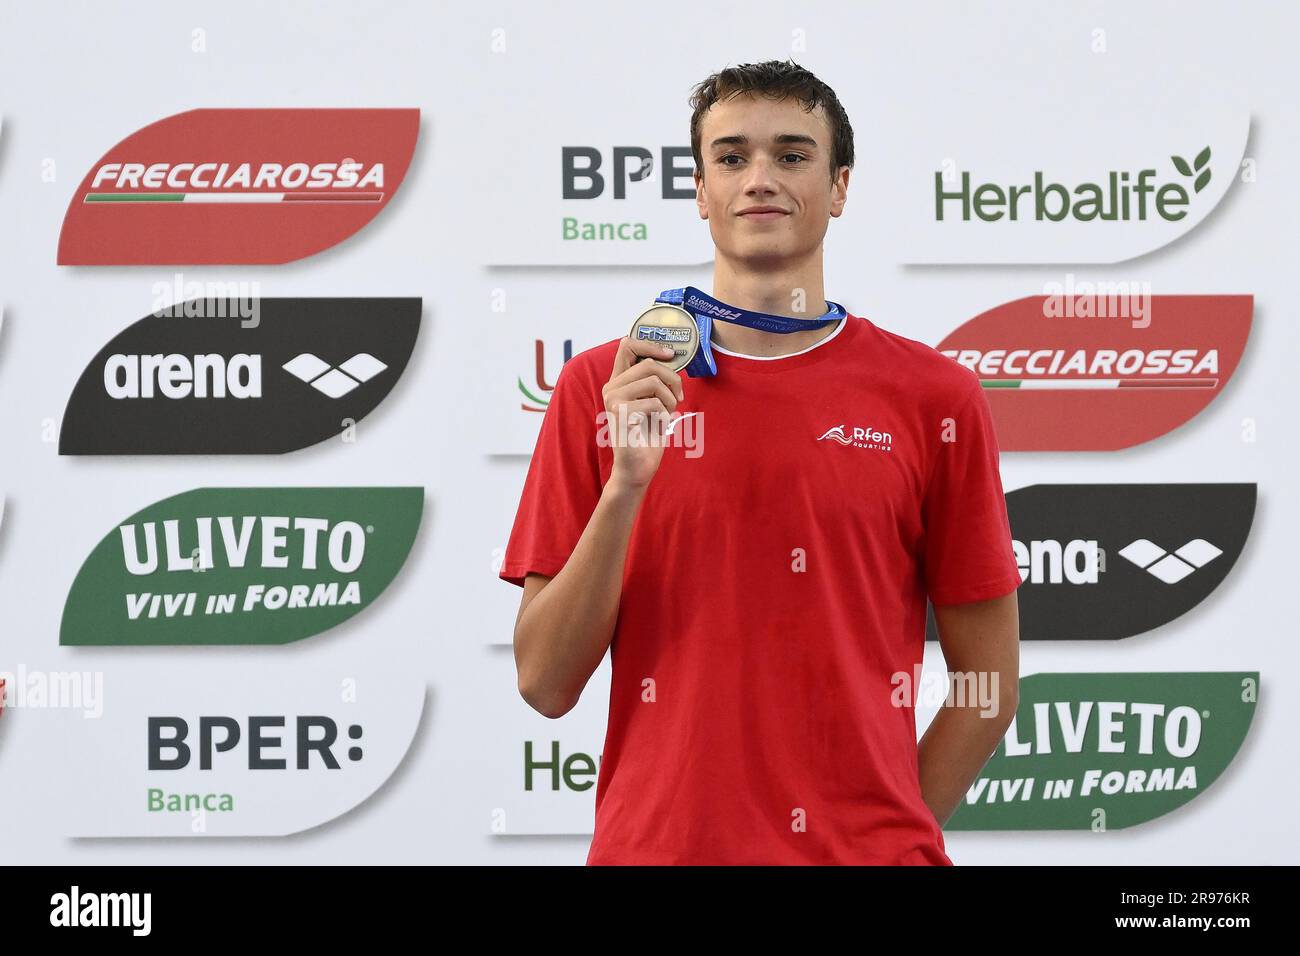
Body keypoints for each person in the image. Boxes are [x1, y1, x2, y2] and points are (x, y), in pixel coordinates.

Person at [499, 59, 1021, 865]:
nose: (761, 180)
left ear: (840, 187)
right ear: (701, 191)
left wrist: (886, 839)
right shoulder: (604, 388)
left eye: (793, 154)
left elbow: (988, 688)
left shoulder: (933, 397)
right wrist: (626, 487)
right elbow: (544, 683)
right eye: (732, 157)